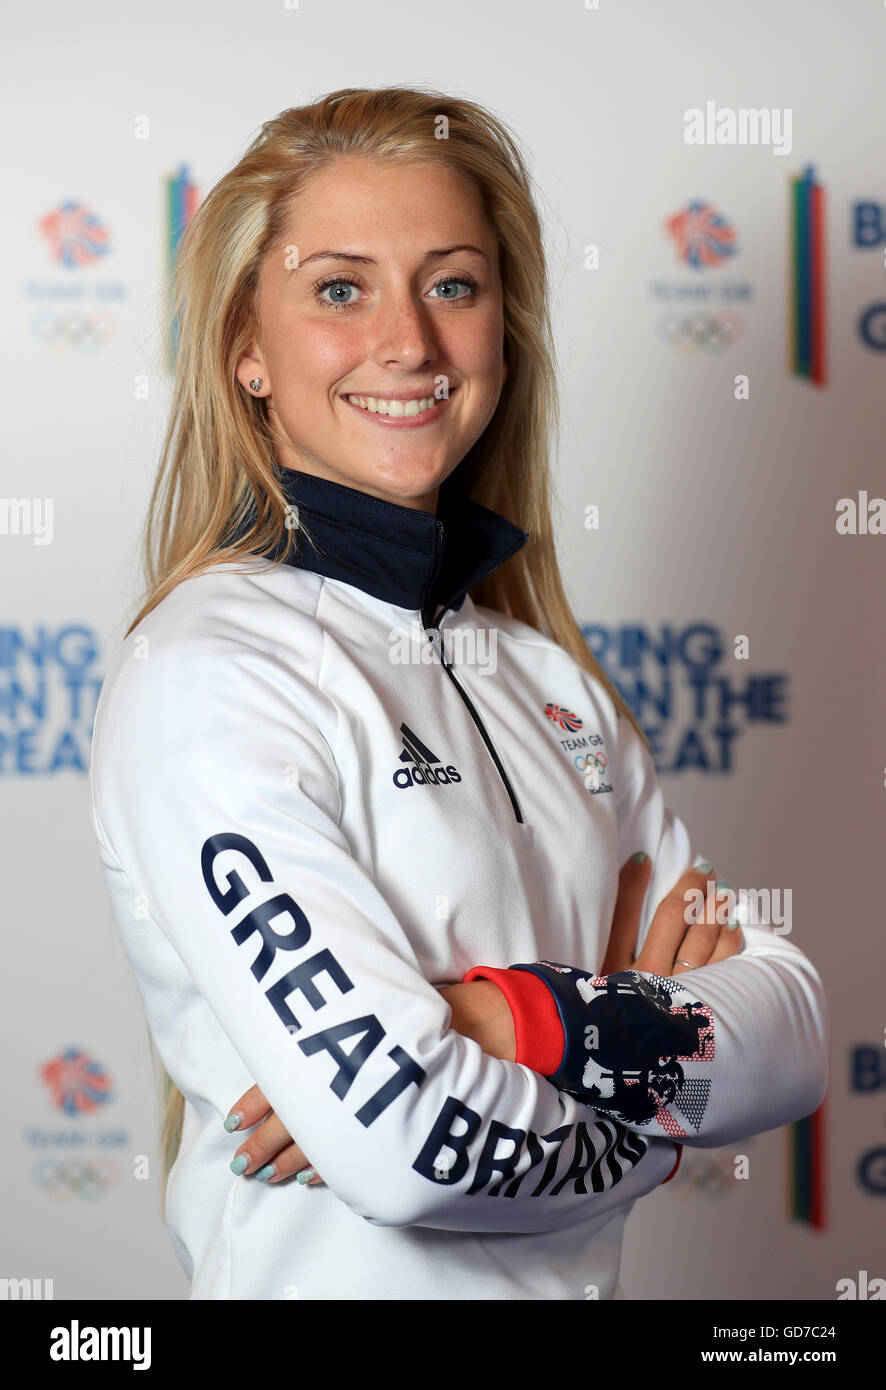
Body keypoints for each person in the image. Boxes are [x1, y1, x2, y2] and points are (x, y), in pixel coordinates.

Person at [88, 85, 829, 1301]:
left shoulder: (552, 683)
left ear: (502, 326)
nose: (408, 344)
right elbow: (413, 1150)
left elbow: (791, 1038)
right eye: (339, 288)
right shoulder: (211, 671)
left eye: (452, 284)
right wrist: (659, 1104)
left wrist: (521, 1025)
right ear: (246, 350)